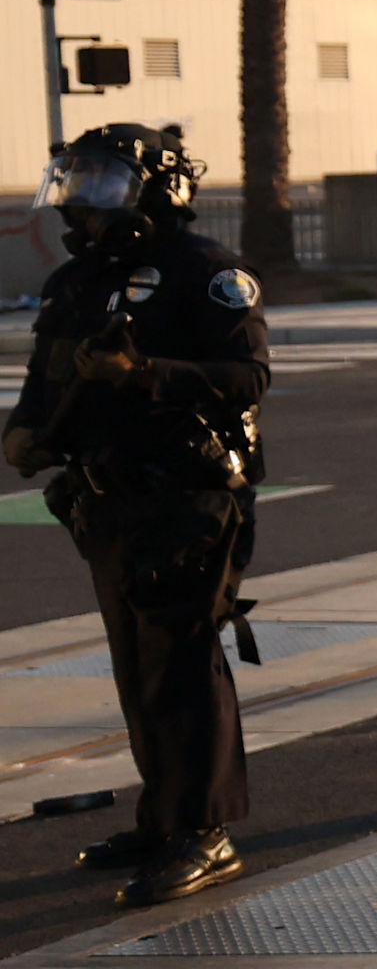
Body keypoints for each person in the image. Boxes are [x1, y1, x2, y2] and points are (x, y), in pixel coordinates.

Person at [4, 125, 268, 907]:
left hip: (188, 496)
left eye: (105, 184)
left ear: (156, 189)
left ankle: (206, 832)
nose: (85, 203)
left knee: (184, 666)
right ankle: (163, 820)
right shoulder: (78, 283)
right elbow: (43, 374)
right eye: (77, 182)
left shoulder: (207, 273)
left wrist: (147, 373)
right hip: (108, 500)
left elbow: (246, 376)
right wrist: (23, 429)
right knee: (138, 667)